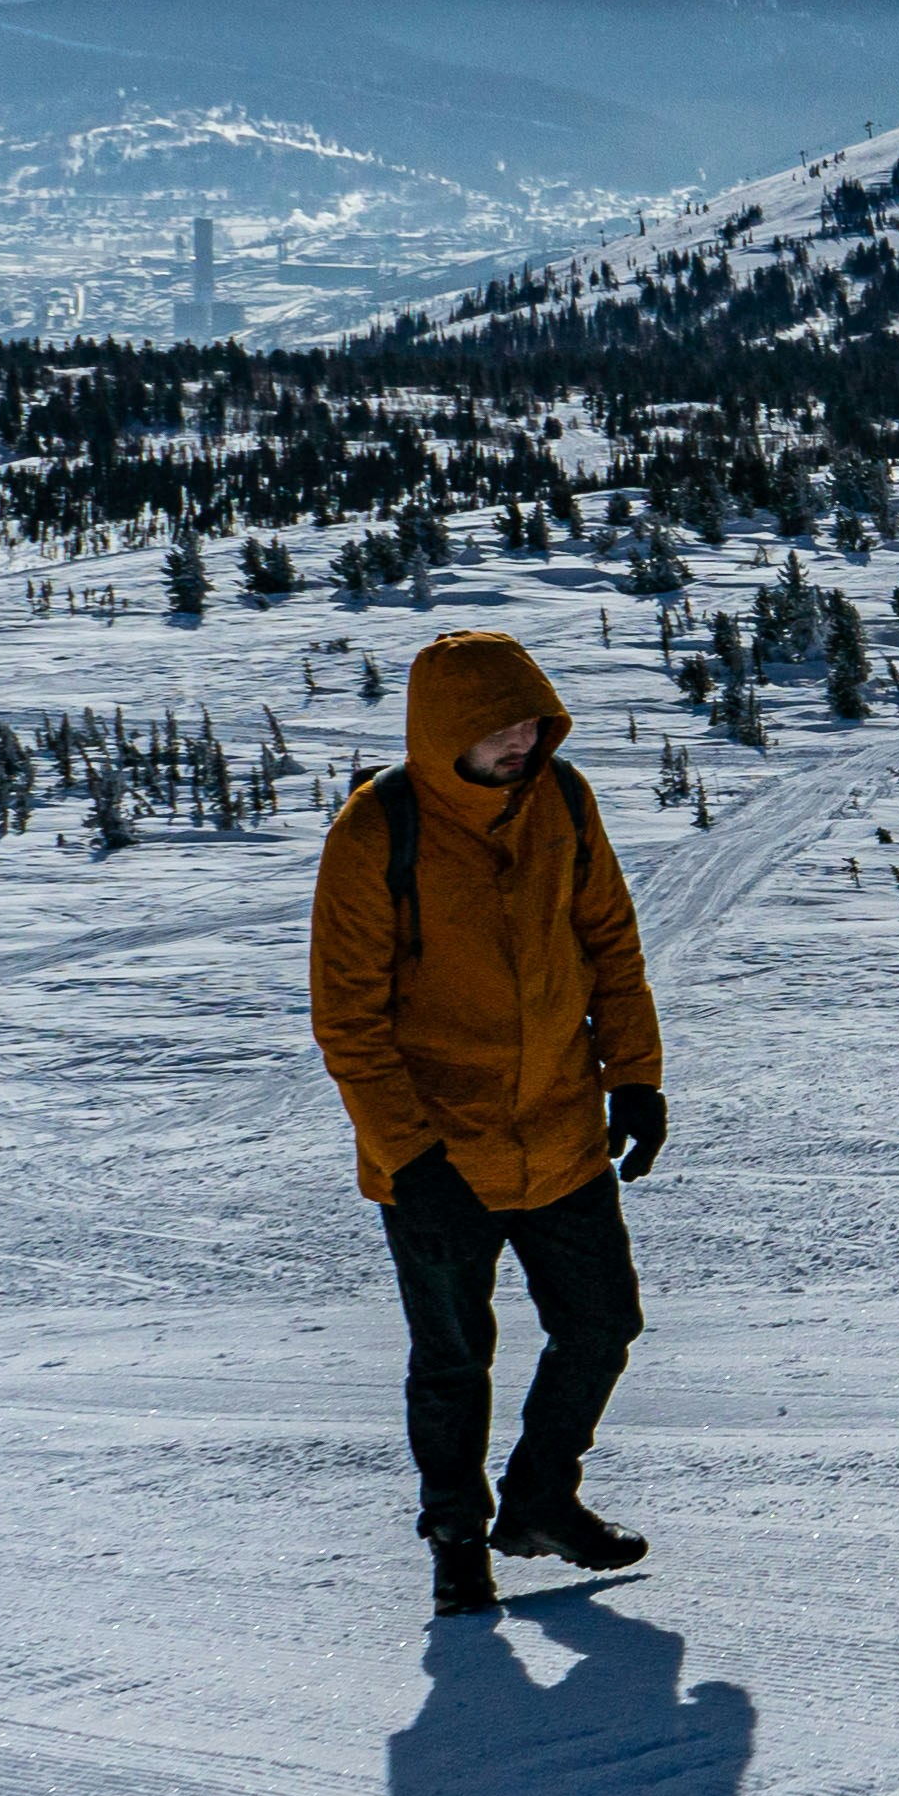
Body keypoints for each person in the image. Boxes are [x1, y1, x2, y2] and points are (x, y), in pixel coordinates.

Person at [309, 628, 670, 1616]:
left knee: (601, 1324)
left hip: (559, 1132)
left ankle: (542, 1501)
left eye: (533, 721)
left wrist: (633, 1079)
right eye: (501, 726)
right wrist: (409, 1160)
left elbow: (611, 947)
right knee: (454, 1361)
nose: (523, 740)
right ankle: (457, 1542)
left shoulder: (562, 800)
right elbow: (349, 1019)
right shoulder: (376, 833)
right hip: (438, 1155)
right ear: (444, 734)